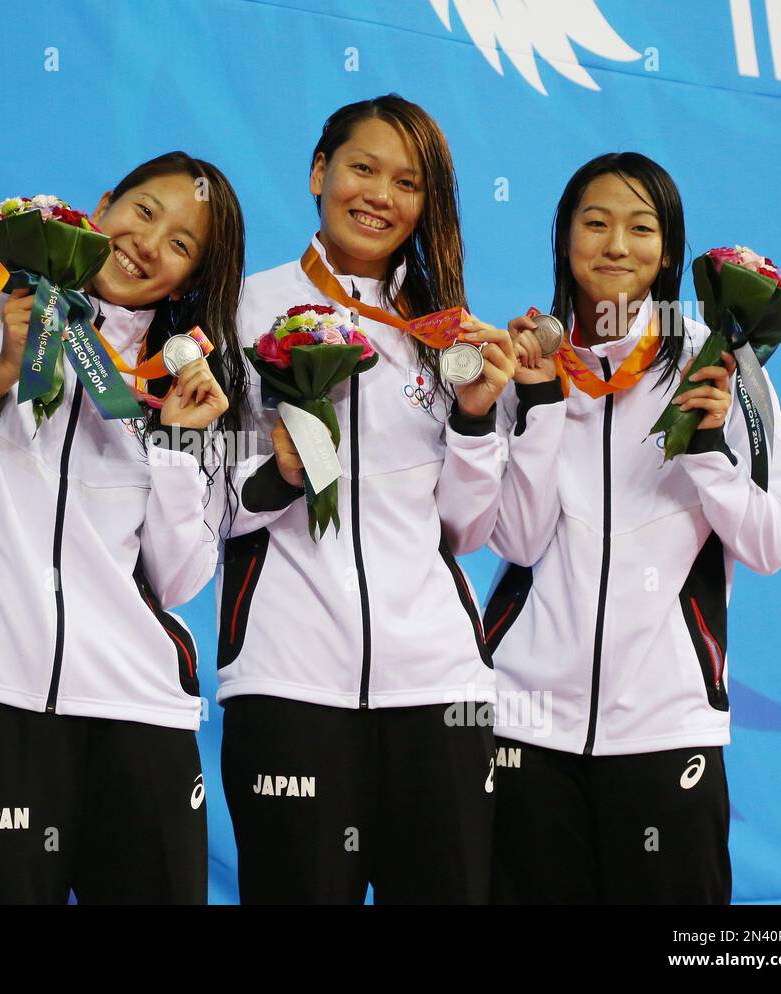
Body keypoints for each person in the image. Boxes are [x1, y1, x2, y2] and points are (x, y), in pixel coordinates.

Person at [216, 94, 526, 904]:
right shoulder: (241, 309)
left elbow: (467, 525)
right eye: (362, 168)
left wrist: (475, 420)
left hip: (440, 690)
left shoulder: (447, 337)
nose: (380, 196)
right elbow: (203, 498)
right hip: (289, 681)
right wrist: (278, 470)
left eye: (408, 183)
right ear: (320, 172)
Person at [0, 151, 248, 904]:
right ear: (102, 206)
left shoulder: (186, 382)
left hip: (138, 713)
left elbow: (181, 579)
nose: (148, 244)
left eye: (180, 245)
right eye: (143, 213)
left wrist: (173, 446)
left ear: (191, 279)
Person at [485, 152, 781, 904]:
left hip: (666, 731)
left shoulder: (722, 370)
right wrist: (535, 406)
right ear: (564, 238)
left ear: (668, 247)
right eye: (595, 223)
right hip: (524, 726)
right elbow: (517, 541)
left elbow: (772, 542)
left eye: (641, 226)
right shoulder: (531, 359)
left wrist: (708, 454)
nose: (617, 245)